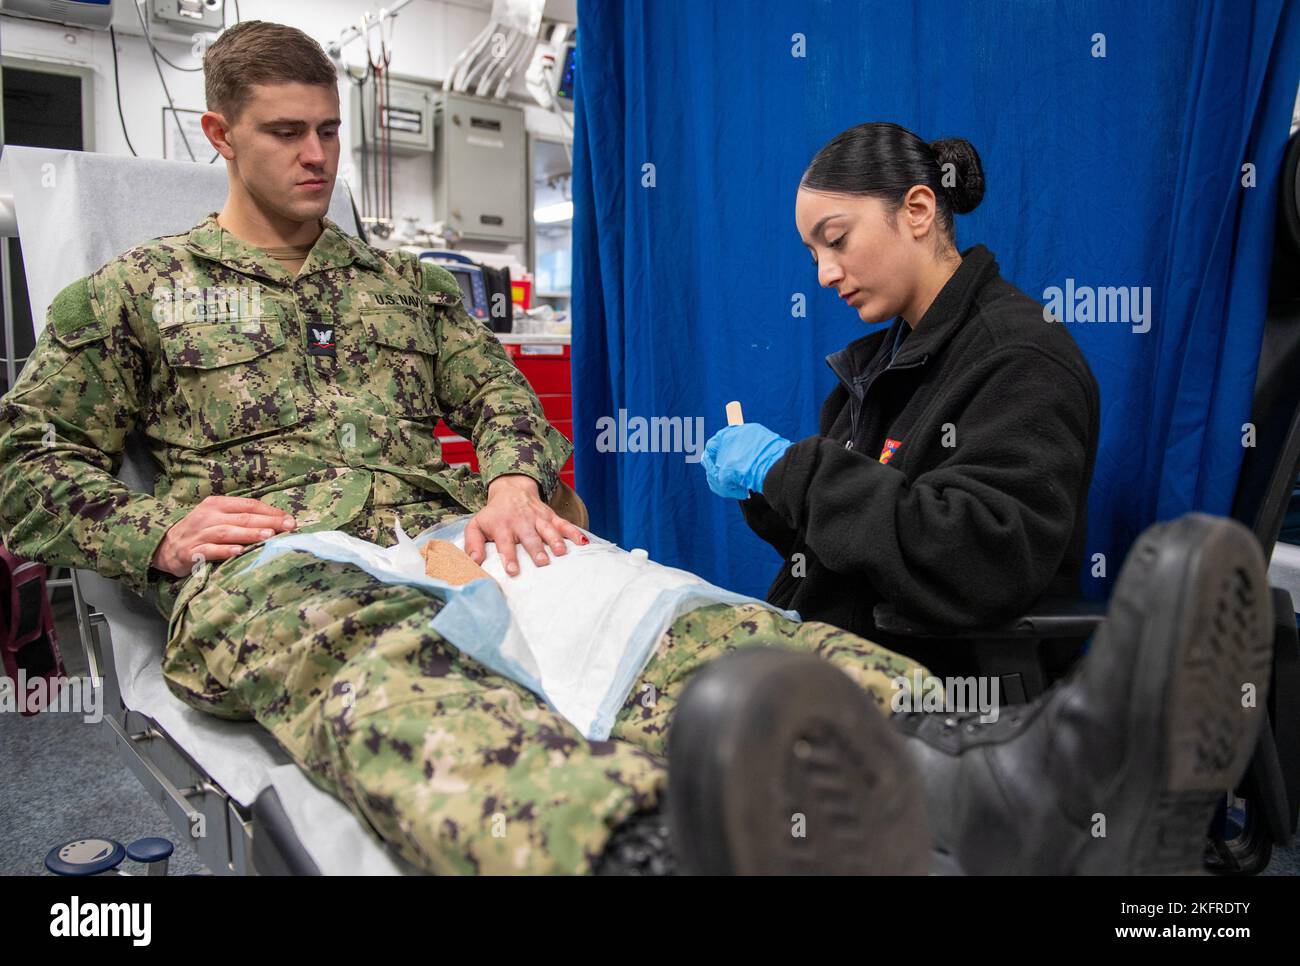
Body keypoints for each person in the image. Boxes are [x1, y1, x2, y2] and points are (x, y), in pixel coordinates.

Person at [0, 24, 1270, 875]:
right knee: (390, 677)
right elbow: (27, 466)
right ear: (220, 137)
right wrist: (152, 529)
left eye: (330, 128)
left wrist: (508, 474)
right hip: (288, 569)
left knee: (674, 621)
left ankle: (1009, 770)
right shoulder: (135, 296)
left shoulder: (397, 289)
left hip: (454, 538)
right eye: (287, 134)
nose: (321, 156)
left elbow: (501, 397)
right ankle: (642, 844)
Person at [702, 122, 1100, 653]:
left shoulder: (1020, 356)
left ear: (918, 210)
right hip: (831, 659)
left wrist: (791, 468)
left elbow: (982, 559)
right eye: (813, 253)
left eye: (837, 240)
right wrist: (771, 489)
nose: (824, 273)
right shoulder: (884, 365)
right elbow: (858, 545)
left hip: (933, 695)